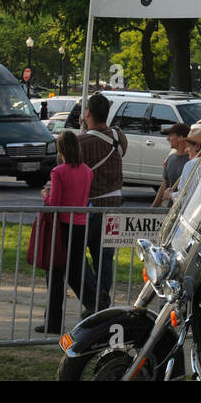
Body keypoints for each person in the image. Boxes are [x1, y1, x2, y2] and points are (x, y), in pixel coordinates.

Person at [37, 131, 94, 333]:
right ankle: (95, 307)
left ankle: (53, 322)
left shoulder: (58, 172)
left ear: (60, 149)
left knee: (54, 273)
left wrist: (45, 195)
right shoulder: (87, 171)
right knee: (76, 272)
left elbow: (55, 204)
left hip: (62, 226)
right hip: (80, 225)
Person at [79, 93, 126, 311]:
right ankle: (102, 297)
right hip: (115, 204)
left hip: (92, 205)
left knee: (78, 253)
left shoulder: (82, 142)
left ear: (87, 113)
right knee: (105, 256)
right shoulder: (118, 136)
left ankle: (94, 298)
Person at [151, 122, 190, 208]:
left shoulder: (191, 161)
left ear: (181, 137)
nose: (168, 139)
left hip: (186, 211)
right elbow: (164, 186)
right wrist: (152, 209)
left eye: (171, 135)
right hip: (170, 210)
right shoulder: (170, 159)